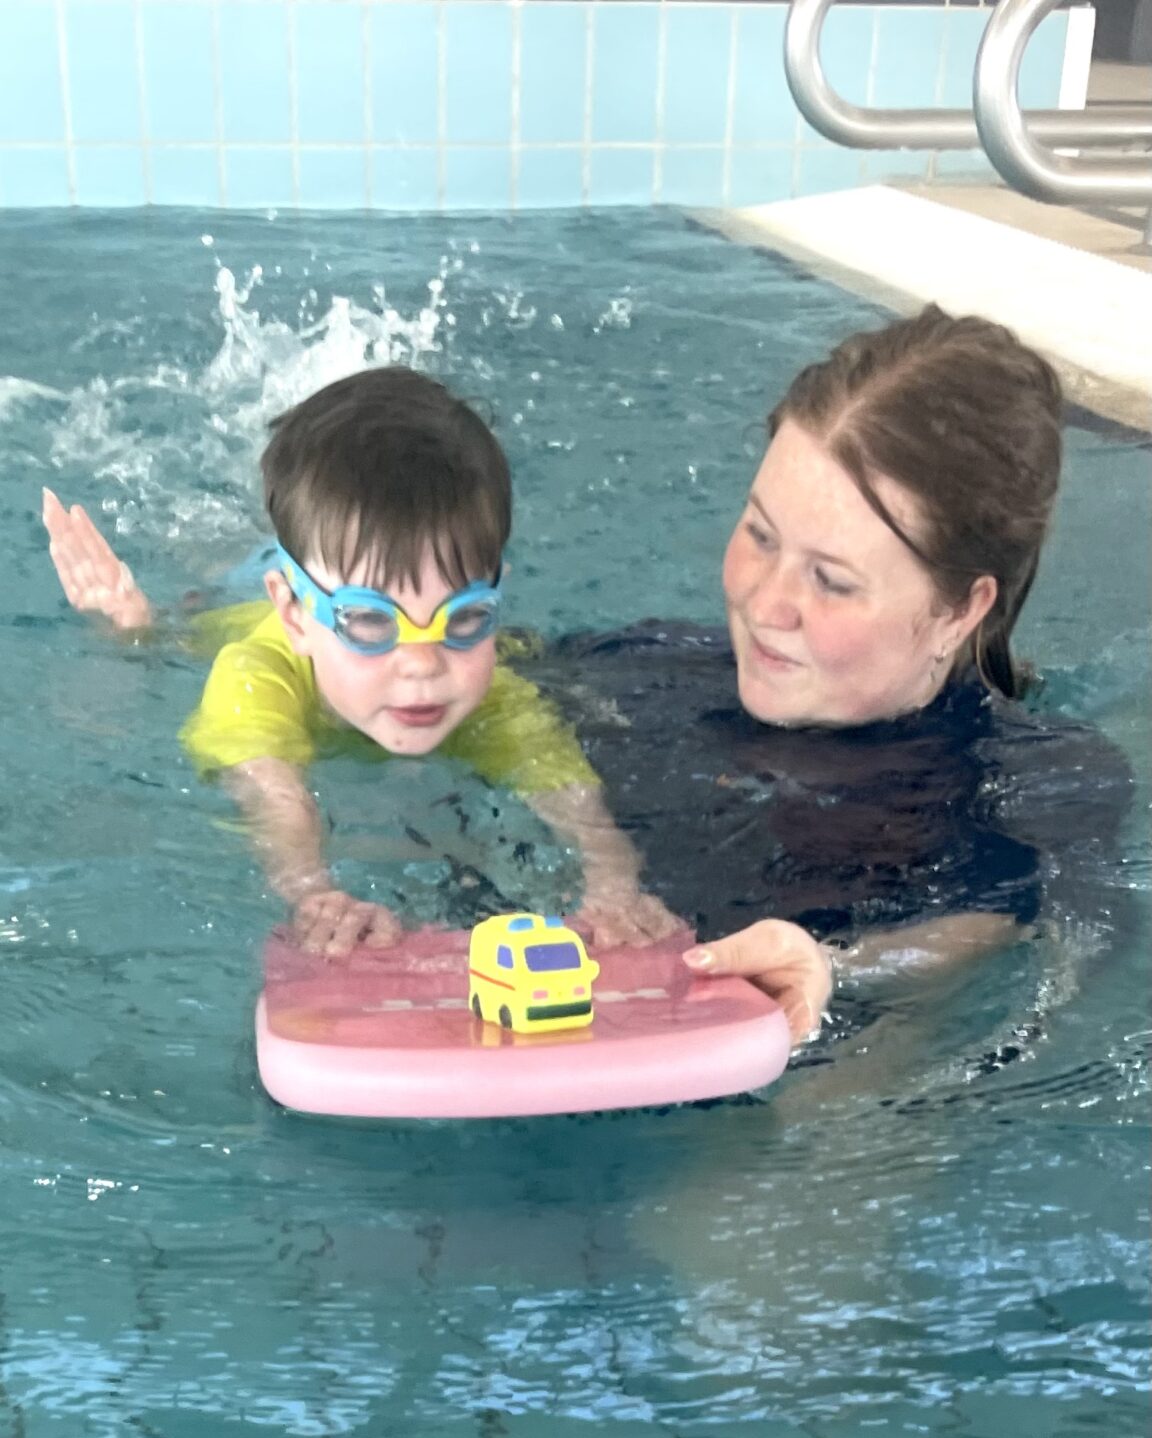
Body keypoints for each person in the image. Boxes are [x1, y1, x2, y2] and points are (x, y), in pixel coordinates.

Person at [522, 305, 1131, 1046]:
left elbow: (1017, 939)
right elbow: (449, 689)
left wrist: (833, 969)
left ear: (957, 612)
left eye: (832, 582)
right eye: (759, 534)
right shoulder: (636, 672)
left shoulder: (1037, 788)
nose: (766, 602)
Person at [44, 366, 680, 958]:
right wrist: (313, 892)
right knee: (176, 617)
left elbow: (573, 799)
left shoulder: (495, 694)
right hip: (235, 603)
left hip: (327, 576)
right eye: (373, 624)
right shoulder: (250, 675)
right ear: (294, 616)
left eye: (463, 619)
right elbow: (277, 799)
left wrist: (613, 889)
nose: (423, 666)